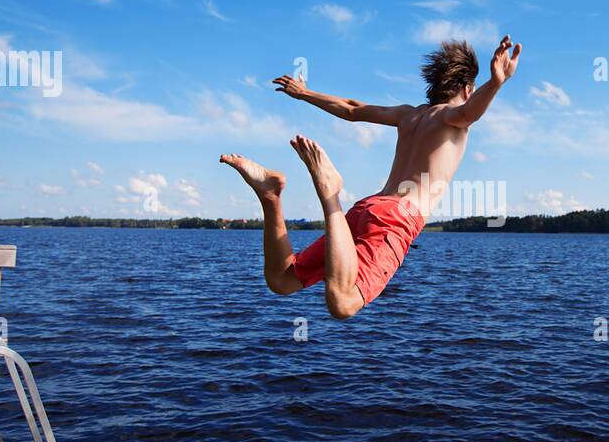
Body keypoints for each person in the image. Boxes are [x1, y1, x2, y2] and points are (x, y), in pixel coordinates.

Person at [221, 35, 522, 319]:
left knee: (283, 279)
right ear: (467, 88)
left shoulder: (409, 115)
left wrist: (305, 93)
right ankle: (330, 193)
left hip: (368, 207)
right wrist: (496, 83)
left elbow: (354, 110)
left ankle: (270, 196)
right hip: (398, 218)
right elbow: (471, 112)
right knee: (343, 302)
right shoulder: (451, 118)